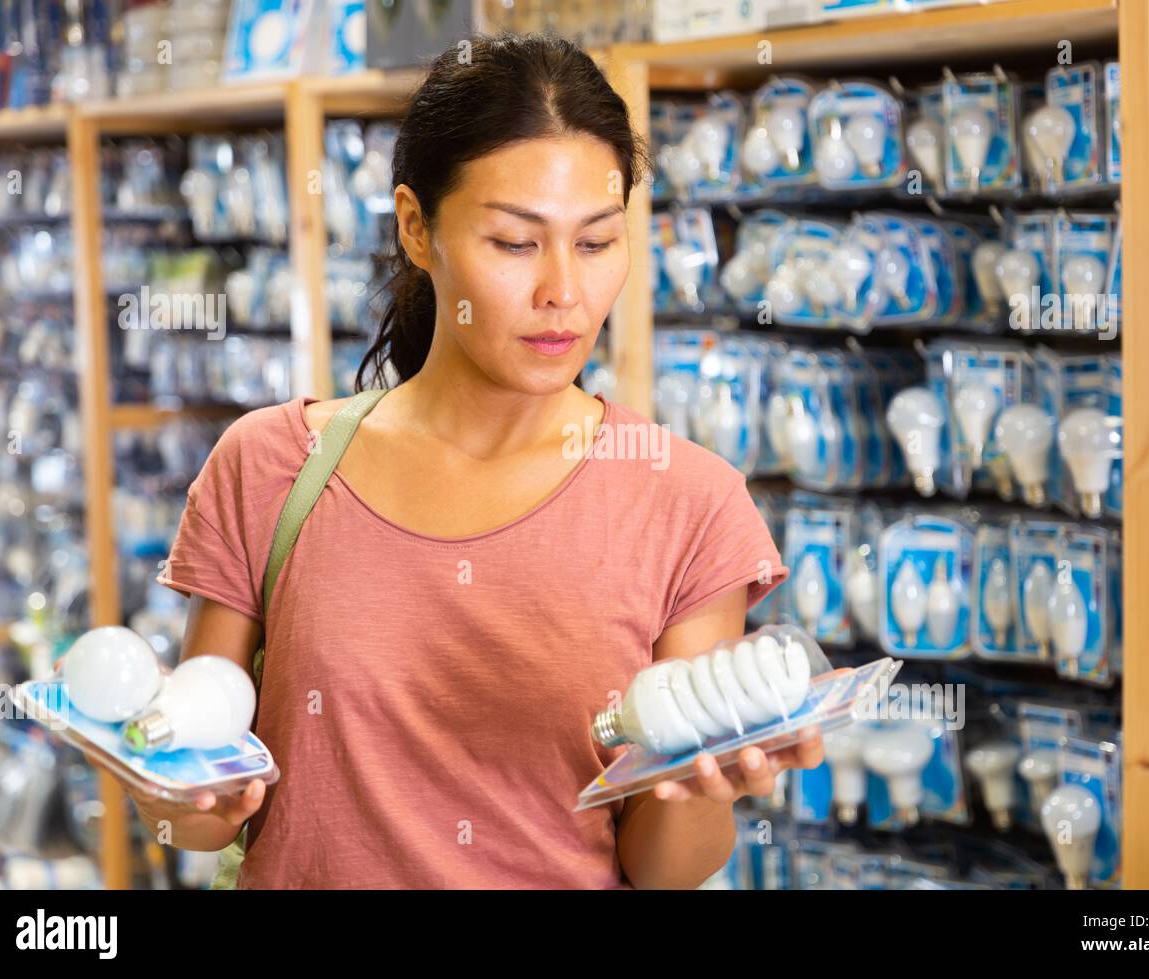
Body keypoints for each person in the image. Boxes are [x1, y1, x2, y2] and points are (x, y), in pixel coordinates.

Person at [96, 31, 822, 889]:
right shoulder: (271, 465)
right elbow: (187, 808)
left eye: (596, 243)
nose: (563, 291)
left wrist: (705, 790)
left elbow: (661, 870)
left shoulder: (690, 504)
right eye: (516, 243)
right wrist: (182, 796)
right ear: (416, 227)